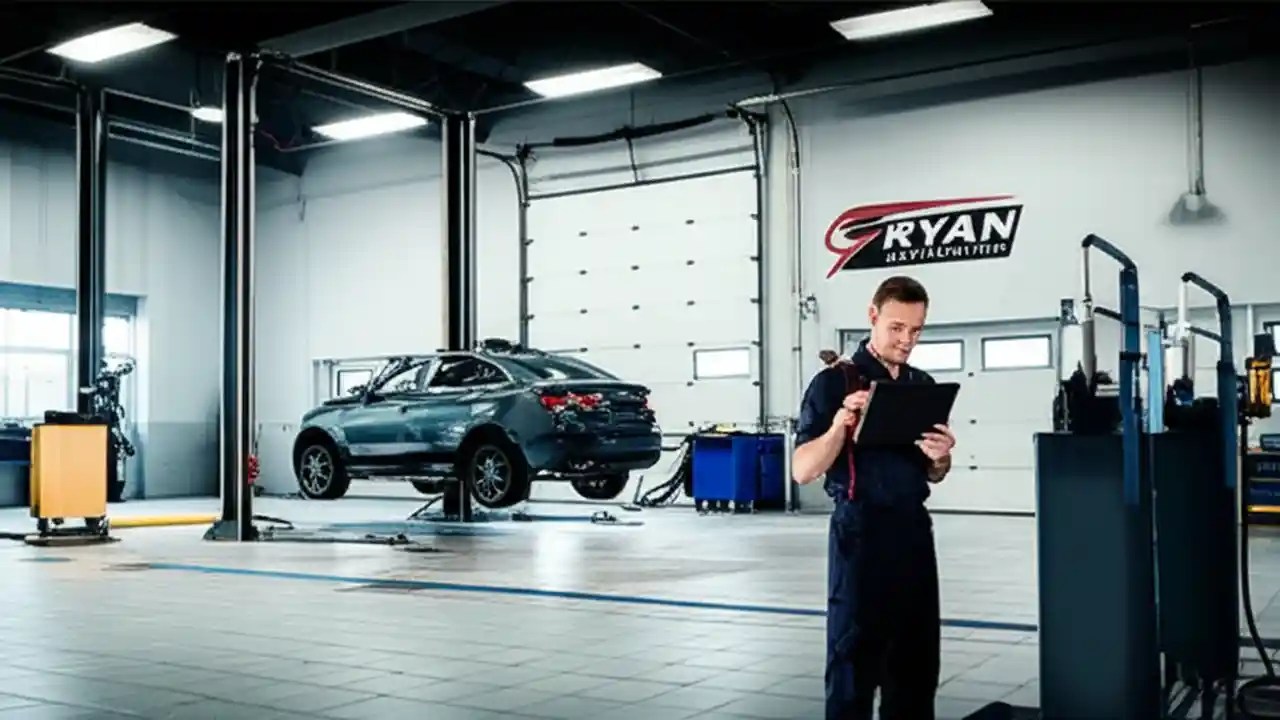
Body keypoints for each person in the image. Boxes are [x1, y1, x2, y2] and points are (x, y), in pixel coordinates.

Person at [792, 275, 957, 720]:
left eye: (916, 330)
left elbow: (933, 473)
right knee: (853, 664)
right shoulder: (834, 382)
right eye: (897, 328)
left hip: (914, 532)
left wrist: (941, 458)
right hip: (859, 533)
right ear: (873, 317)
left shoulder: (922, 385)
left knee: (917, 667)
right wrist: (840, 424)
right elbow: (803, 468)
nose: (907, 340)